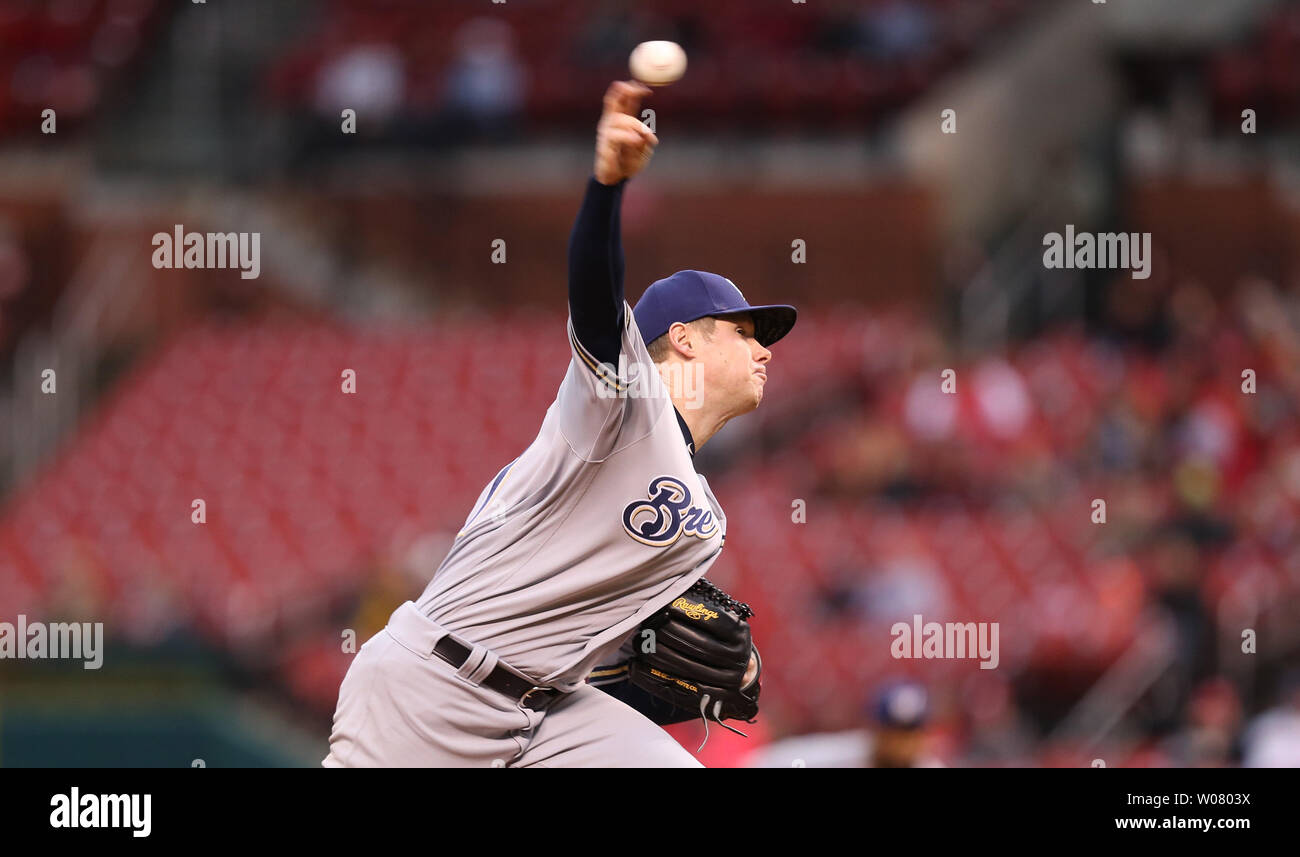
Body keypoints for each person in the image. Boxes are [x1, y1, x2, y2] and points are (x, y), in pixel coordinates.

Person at [323, 81, 796, 767]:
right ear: (685, 339)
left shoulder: (702, 522)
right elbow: (599, 302)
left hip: (546, 712)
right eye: (745, 331)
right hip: (430, 689)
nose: (764, 349)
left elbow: (615, 664)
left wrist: (720, 678)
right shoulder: (623, 405)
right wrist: (605, 188)